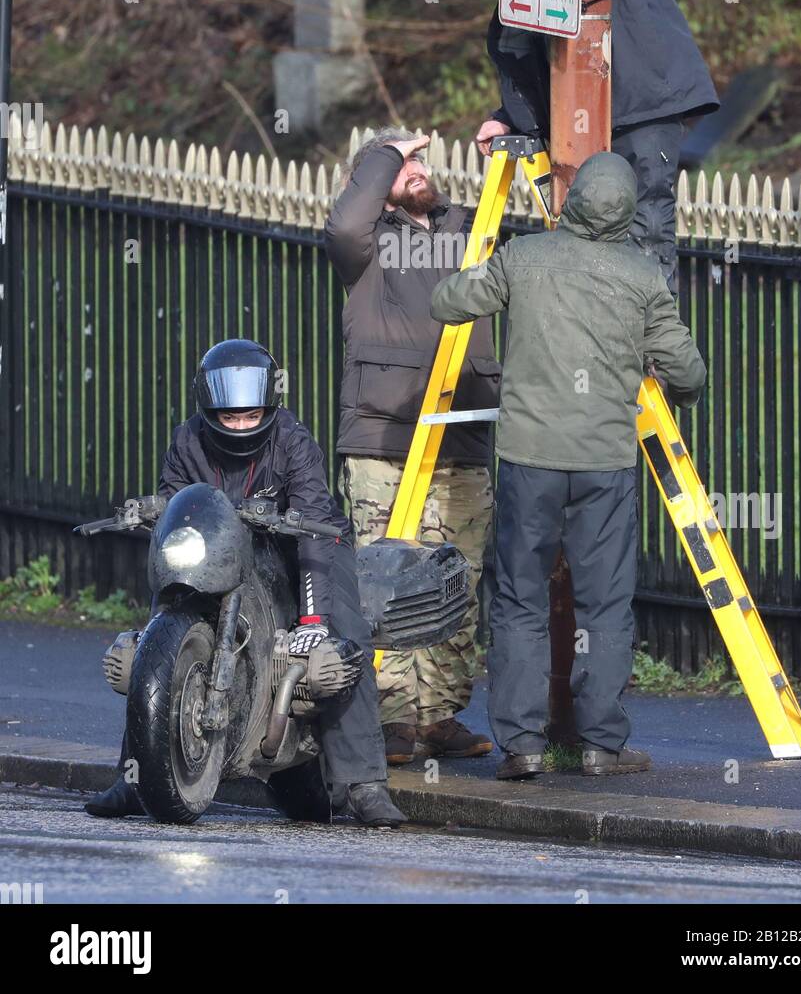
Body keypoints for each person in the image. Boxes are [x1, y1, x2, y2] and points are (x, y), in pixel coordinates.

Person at [430, 152, 707, 780]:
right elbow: (687, 373)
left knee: (519, 602)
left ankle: (521, 746)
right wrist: (665, 380)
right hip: (605, 463)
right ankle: (602, 746)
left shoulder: (525, 258)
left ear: (572, 200)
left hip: (529, 459)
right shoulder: (642, 276)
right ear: (629, 212)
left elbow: (450, 302)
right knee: (606, 605)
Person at [85, 338, 405, 827]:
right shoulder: (186, 440)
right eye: (229, 417)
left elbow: (315, 521)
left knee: (347, 635)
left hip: (304, 545)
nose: (240, 424)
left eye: (250, 415)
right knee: (163, 625)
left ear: (268, 407)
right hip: (222, 550)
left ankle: (363, 785)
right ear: (209, 408)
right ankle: (135, 778)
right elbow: (176, 509)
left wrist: (315, 618)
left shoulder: (294, 441)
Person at [464, 0, 719, 292]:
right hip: (578, 113)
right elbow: (531, 52)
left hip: (644, 98)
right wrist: (507, 114)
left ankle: (652, 354)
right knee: (590, 237)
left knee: (646, 225)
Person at [325, 128, 499, 766]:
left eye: (420, 159)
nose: (416, 169)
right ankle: (393, 719)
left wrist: (508, 130)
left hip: (463, 430)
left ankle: (440, 715)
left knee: (458, 576)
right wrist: (389, 153)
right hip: (384, 436)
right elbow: (344, 226)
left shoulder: (469, 227)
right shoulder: (366, 244)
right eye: (400, 165)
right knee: (387, 580)